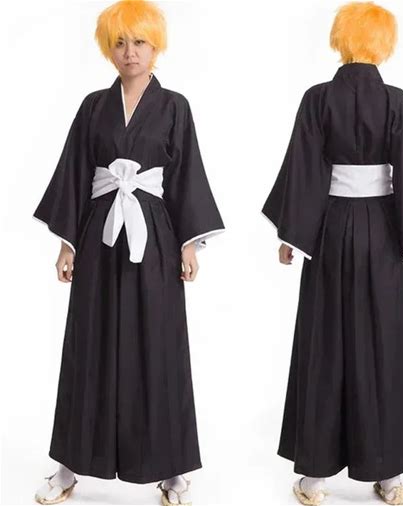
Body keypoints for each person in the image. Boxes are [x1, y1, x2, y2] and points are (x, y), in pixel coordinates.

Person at [261, 2, 403, 505]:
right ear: (383, 44)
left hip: (329, 229)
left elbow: (303, 170)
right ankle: (388, 475)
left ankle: (314, 477)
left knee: (324, 341)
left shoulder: (317, 98)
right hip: (386, 233)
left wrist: (292, 234)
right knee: (386, 343)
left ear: (341, 39)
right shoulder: (394, 100)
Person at [33, 1, 224, 504]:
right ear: (108, 48)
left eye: (139, 42)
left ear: (155, 46)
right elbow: (75, 172)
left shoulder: (175, 106)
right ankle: (69, 466)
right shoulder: (92, 106)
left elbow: (186, 175)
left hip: (154, 237)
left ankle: (172, 469)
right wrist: (67, 244)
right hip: (98, 237)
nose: (130, 52)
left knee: (158, 344)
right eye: (119, 43)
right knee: (89, 343)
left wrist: (189, 243)